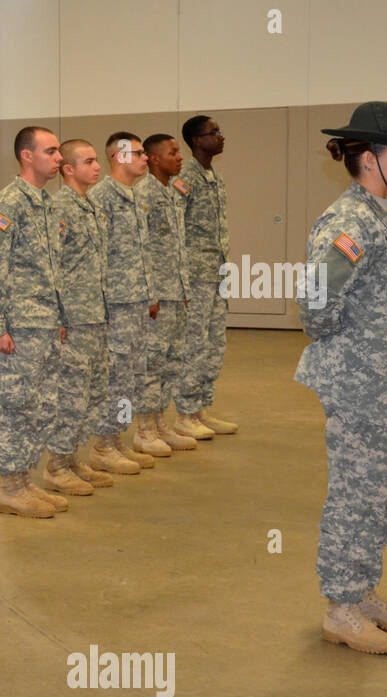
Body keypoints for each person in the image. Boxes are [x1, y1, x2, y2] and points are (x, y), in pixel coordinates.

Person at [296, 101, 387, 654]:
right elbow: (316, 301)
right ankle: (340, 609)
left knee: (383, 492)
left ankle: (361, 592)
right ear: (370, 157)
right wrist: (351, 350)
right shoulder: (349, 221)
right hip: (362, 385)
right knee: (357, 493)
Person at [0, 126, 69, 519]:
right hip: (19, 326)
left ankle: (25, 480)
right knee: (17, 406)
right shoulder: (7, 204)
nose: (59, 158)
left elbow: (53, 269)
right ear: (26, 156)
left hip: (45, 322)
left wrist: (59, 316)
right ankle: (9, 488)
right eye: (50, 151)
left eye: (59, 151)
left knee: (42, 405)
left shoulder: (46, 204)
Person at [44, 139, 110, 499]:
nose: (97, 167)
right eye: (88, 162)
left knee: (92, 391)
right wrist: (58, 315)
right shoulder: (60, 207)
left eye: (97, 160)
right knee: (71, 393)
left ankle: (73, 458)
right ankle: (56, 466)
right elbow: (52, 265)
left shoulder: (91, 206)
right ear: (68, 169)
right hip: (73, 316)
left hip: (95, 314)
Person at [88, 132, 155, 475]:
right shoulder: (102, 197)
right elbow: (96, 254)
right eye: (138, 153)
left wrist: (149, 294)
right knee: (114, 376)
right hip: (115, 304)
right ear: (118, 157)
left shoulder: (136, 195)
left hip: (136, 302)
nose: (145, 158)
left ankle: (118, 439)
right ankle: (102, 445)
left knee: (131, 377)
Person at [175, 114, 238, 439]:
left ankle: (201, 409)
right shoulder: (185, 178)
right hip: (195, 276)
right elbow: (175, 229)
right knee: (194, 344)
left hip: (217, 273)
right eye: (214, 132)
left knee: (214, 344)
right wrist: (181, 279)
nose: (220, 136)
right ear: (197, 140)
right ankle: (185, 414)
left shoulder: (214, 177)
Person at [138, 133, 198, 452]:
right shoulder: (143, 193)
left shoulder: (173, 192)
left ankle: (161, 423)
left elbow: (177, 246)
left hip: (176, 293)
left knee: (172, 362)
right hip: (157, 297)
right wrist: (149, 294)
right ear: (154, 159)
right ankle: (145, 429)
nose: (180, 157)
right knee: (152, 362)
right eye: (172, 152)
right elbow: (142, 248)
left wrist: (185, 287)